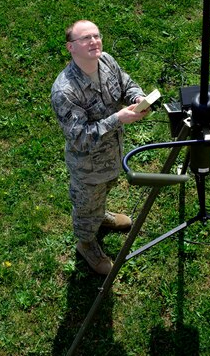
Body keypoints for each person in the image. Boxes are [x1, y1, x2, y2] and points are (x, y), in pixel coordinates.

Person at [51, 20, 149, 275]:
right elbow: (80, 138)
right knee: (85, 206)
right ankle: (86, 243)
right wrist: (118, 119)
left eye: (96, 35)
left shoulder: (106, 61)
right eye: (86, 38)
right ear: (71, 47)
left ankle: (100, 216)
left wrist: (137, 97)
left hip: (111, 155)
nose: (94, 41)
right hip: (88, 166)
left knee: (104, 192)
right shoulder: (65, 91)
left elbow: (126, 83)